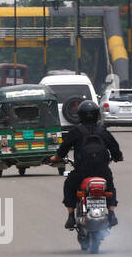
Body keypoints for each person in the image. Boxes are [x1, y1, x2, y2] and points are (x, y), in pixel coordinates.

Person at [48, 99, 121, 230]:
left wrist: (54, 159)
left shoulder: (76, 131)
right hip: (102, 171)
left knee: (69, 185)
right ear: (97, 114)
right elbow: (116, 150)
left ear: (80, 115)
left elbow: (62, 151)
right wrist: (117, 157)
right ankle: (111, 214)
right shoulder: (103, 131)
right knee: (110, 188)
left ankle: (71, 216)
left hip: (82, 172)